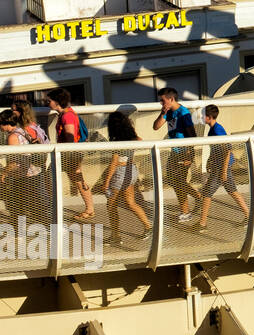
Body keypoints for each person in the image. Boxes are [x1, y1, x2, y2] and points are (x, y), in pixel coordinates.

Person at [97, 111, 151, 245]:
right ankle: (148, 227)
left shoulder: (117, 140)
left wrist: (106, 182)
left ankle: (115, 237)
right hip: (132, 170)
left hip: (121, 173)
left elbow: (114, 163)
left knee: (111, 205)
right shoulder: (132, 137)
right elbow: (140, 140)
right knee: (130, 202)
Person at [194, 105, 249, 233]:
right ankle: (249, 216)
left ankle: (202, 224)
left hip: (222, 167)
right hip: (219, 165)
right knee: (231, 190)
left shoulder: (217, 130)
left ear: (209, 117)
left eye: (203, 116)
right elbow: (216, 149)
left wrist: (224, 171)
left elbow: (227, 150)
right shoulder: (212, 129)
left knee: (207, 193)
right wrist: (209, 161)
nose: (201, 118)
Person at [47, 88, 93, 221]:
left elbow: (70, 138)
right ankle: (90, 209)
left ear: (57, 102)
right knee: (78, 180)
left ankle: (53, 207)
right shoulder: (67, 113)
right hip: (71, 153)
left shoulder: (67, 116)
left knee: (54, 176)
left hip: (70, 154)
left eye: (49, 101)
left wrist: (71, 157)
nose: (48, 104)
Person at [155, 88, 199, 223]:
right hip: (174, 153)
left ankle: (186, 212)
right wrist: (162, 113)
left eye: (163, 101)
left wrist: (189, 156)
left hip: (184, 154)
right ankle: (198, 196)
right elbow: (156, 126)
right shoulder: (168, 112)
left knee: (179, 183)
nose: (161, 103)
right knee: (172, 180)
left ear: (171, 99)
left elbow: (192, 135)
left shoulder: (183, 113)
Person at [0, 109, 38, 227]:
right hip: (32, 172)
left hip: (22, 176)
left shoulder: (12, 137)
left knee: (17, 206)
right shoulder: (21, 130)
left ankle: (19, 232)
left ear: (5, 123)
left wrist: (4, 173)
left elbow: (14, 162)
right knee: (27, 205)